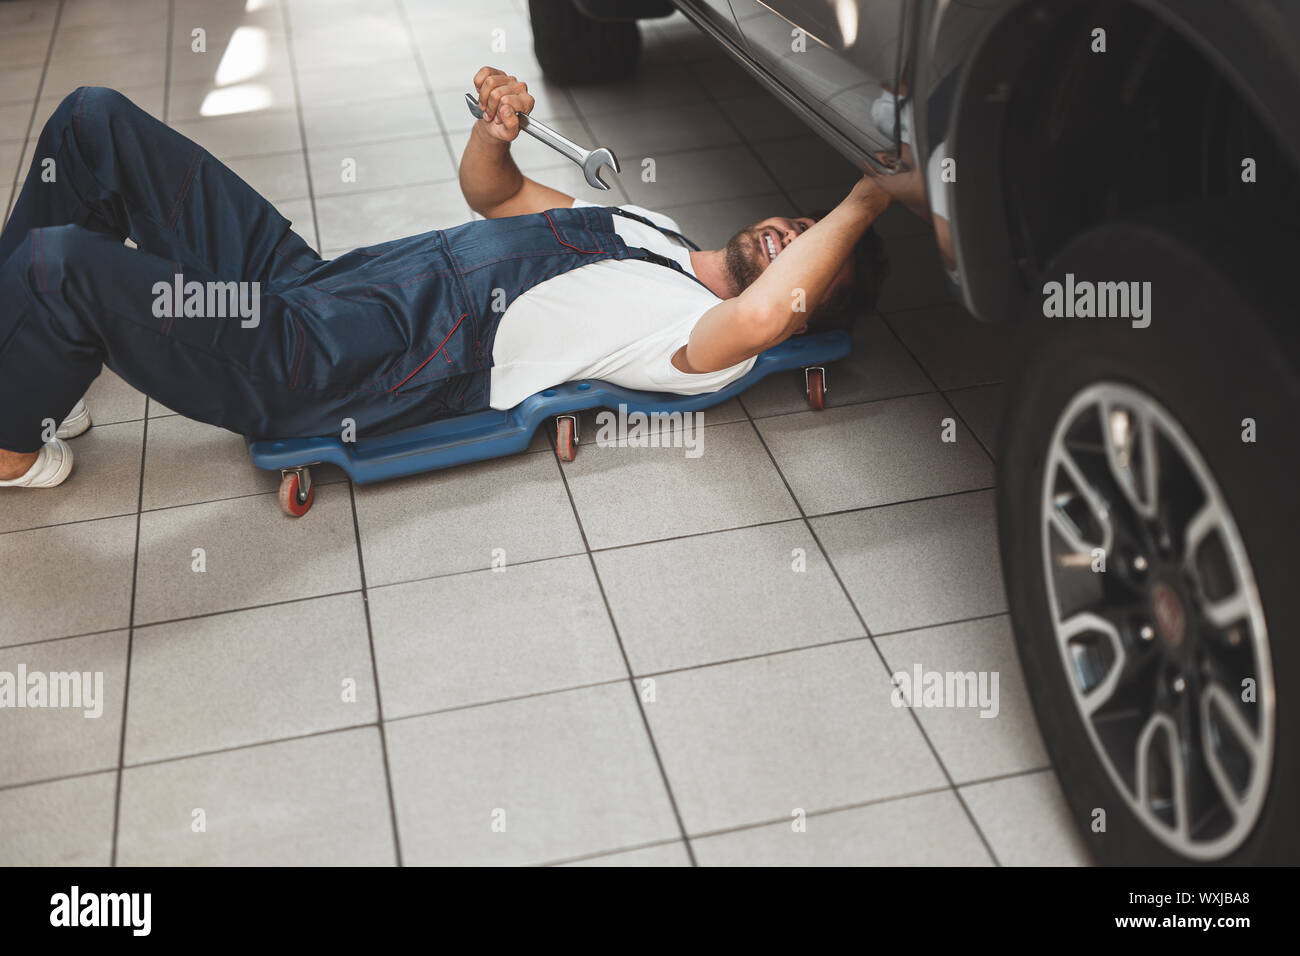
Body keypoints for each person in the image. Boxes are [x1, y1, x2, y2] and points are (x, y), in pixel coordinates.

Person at [0, 68, 890, 489]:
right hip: (324, 286)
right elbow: (491, 193)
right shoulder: (650, 227)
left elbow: (769, 313)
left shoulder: (705, 344)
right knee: (93, 121)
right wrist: (495, 133)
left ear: (810, 304)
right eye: (803, 222)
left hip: (339, 363)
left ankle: (7, 442)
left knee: (62, 268)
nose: (794, 234)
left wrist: (870, 196)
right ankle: (23, 375)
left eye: (818, 253)